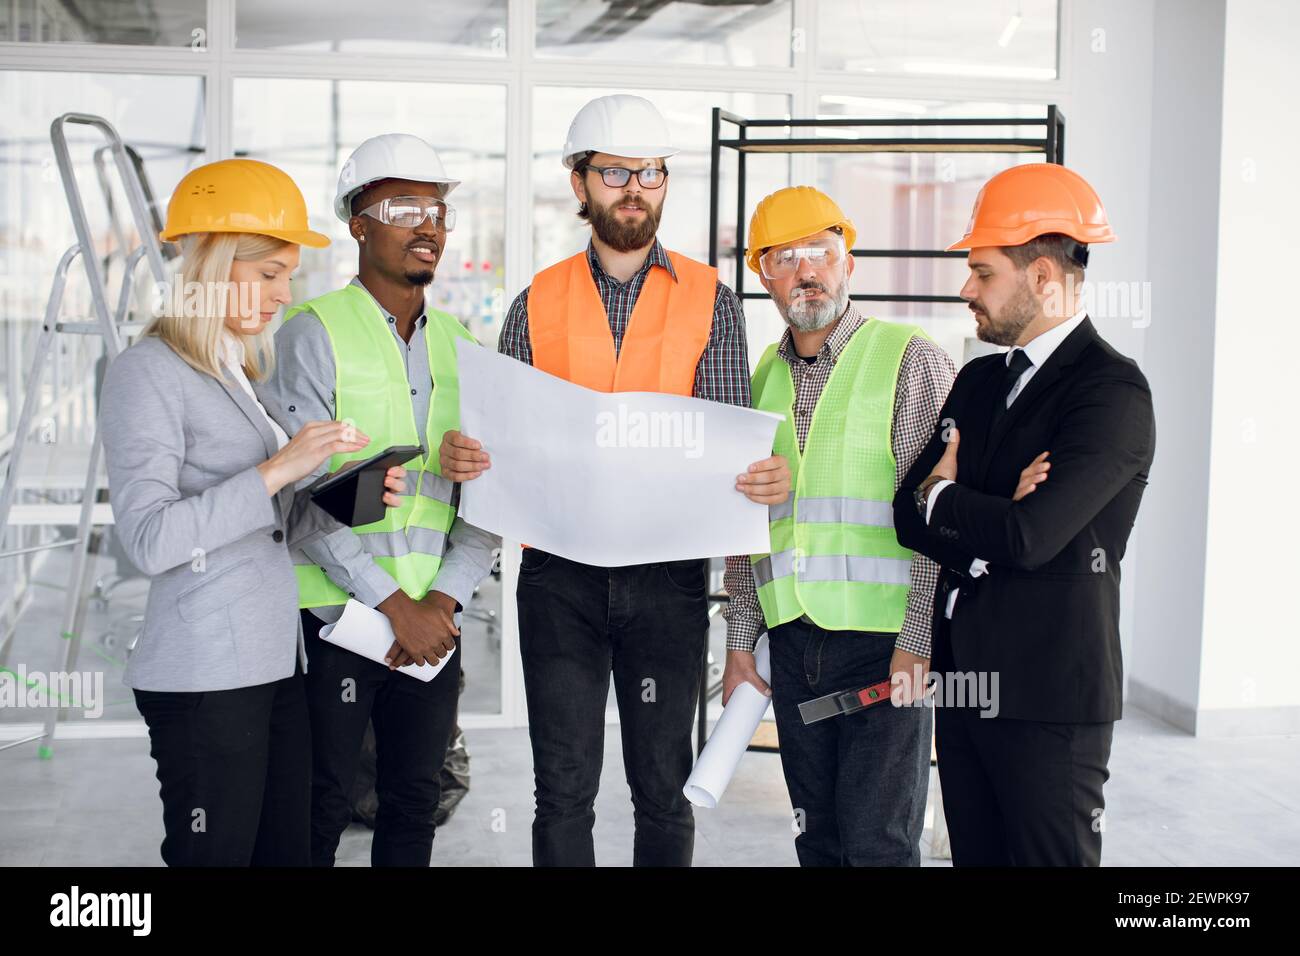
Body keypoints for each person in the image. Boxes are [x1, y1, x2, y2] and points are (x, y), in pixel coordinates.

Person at [439, 94, 790, 867]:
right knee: (561, 787)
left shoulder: (713, 302)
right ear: (580, 183)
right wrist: (470, 460)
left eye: (652, 172)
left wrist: (755, 486)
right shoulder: (538, 301)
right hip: (559, 579)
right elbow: (505, 442)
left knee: (662, 789)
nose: (636, 187)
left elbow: (725, 450)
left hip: (666, 580)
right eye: (616, 172)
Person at [100, 158, 406, 866]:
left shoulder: (237, 369)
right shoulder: (147, 372)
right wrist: (280, 466)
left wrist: (347, 498)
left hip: (271, 664)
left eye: (288, 276)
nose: (283, 294)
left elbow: (274, 526)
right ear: (211, 266)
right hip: (206, 677)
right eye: (268, 273)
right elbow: (149, 539)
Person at [892, 162, 1156, 866]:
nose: (965, 290)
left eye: (982, 273)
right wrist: (981, 508)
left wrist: (948, 497)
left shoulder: (1112, 393)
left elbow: (1030, 536)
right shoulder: (978, 378)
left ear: (1042, 277)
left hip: (1049, 700)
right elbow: (904, 514)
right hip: (966, 685)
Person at [256, 133, 498, 867]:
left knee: (413, 804)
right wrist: (394, 605)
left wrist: (443, 605)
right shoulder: (313, 332)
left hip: (435, 627)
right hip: (339, 622)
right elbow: (299, 496)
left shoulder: (465, 346)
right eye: (403, 206)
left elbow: (490, 503)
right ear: (357, 223)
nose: (428, 224)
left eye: (438, 209)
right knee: (319, 802)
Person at [721, 186, 955, 866]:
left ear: (847, 258)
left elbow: (938, 517)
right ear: (762, 274)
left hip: (883, 651)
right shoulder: (762, 375)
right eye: (786, 258)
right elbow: (745, 531)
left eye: (822, 252)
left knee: (878, 843)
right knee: (817, 838)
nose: (808, 271)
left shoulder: (907, 358)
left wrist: (918, 644)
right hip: (795, 645)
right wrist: (742, 643)